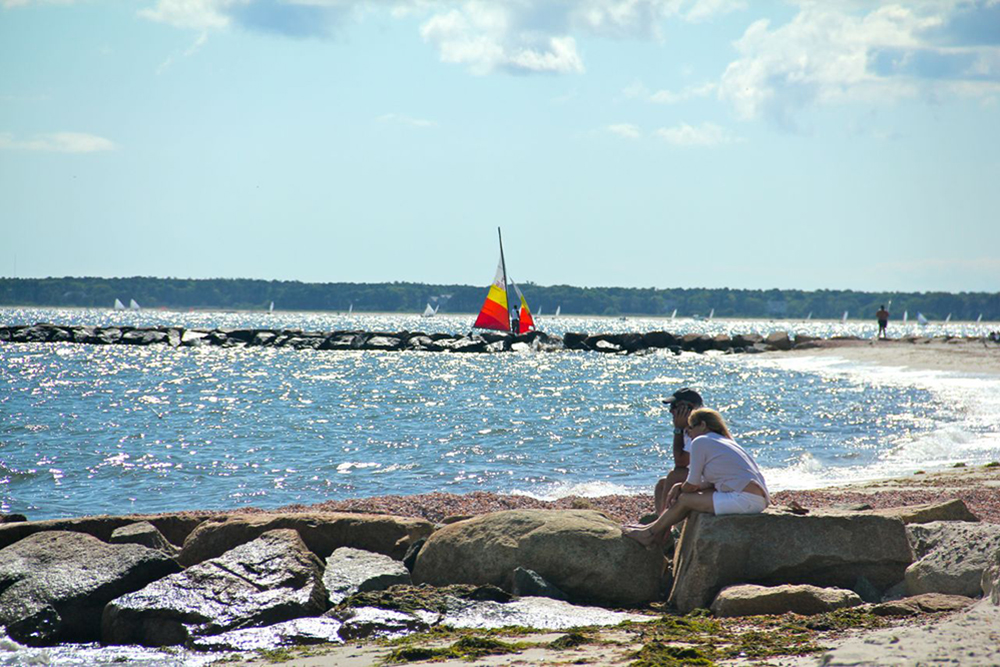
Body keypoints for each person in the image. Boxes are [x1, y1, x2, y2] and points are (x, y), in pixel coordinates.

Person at [624, 408, 769, 547]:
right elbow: (708, 483)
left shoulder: (701, 441)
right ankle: (651, 529)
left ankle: (649, 533)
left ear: (703, 425)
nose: (688, 433)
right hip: (756, 498)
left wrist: (680, 487)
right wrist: (679, 486)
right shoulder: (725, 441)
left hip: (745, 499)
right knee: (689, 495)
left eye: (690, 428)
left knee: (685, 499)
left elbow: (692, 484)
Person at [653, 388, 704, 515]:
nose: (671, 411)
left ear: (690, 407)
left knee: (675, 475)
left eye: (675, 406)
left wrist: (678, 429)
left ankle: (660, 527)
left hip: (714, 479)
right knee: (662, 485)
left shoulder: (700, 429)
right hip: (703, 476)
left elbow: (680, 463)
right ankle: (664, 526)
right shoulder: (688, 430)